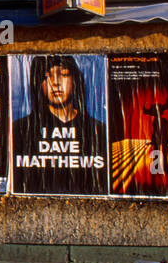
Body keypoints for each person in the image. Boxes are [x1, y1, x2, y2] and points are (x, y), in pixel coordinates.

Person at [12, 55, 107, 194]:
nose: (55, 82)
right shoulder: (21, 129)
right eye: (46, 77)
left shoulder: (97, 130)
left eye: (64, 74)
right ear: (38, 84)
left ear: (75, 80)